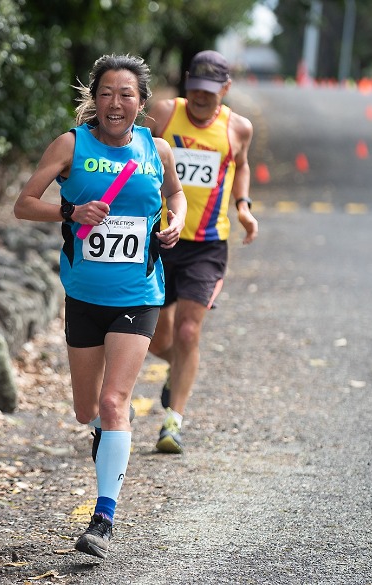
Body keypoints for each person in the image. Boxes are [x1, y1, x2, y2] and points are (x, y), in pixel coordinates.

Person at [13, 54, 187, 559]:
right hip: (84, 295)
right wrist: (71, 210)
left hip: (139, 292)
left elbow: (175, 196)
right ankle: (107, 438)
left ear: (141, 102)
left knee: (116, 403)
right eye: (107, 93)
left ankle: (103, 519)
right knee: (87, 408)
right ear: (94, 98)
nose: (116, 102)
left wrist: (174, 222)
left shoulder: (157, 150)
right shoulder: (72, 144)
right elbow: (24, 204)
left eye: (126, 94)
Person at [143, 50, 258, 454]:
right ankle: (178, 367)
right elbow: (137, 152)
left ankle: (173, 422)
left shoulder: (237, 128)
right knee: (156, 339)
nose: (200, 98)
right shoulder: (164, 112)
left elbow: (240, 164)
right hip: (158, 237)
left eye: (210, 92)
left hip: (207, 245)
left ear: (225, 89)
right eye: (194, 89)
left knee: (189, 331)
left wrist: (242, 206)